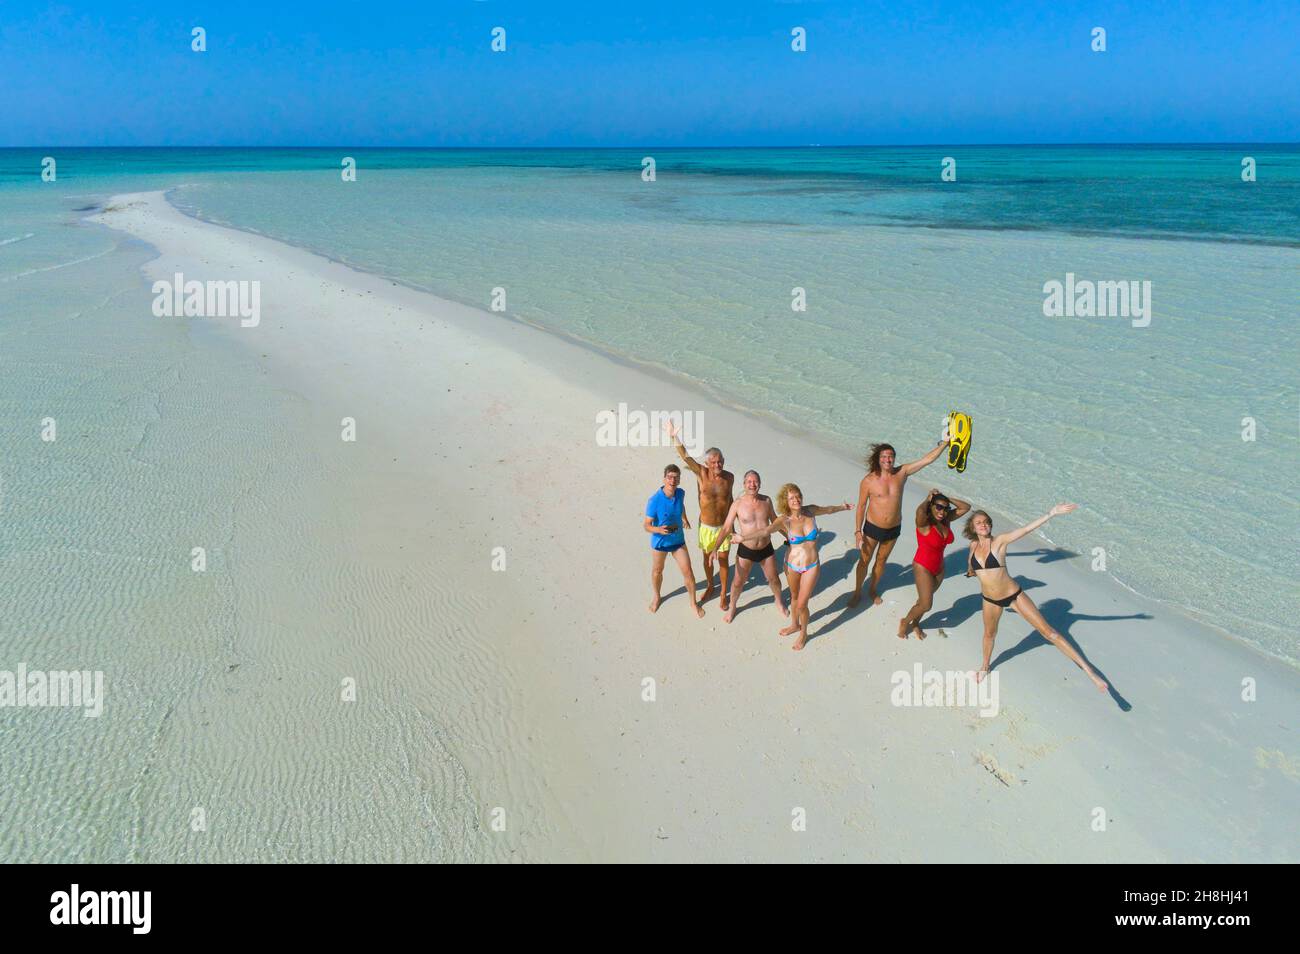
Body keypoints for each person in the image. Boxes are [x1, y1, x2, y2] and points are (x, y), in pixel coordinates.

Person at [964, 505, 1108, 692]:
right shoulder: (973, 546)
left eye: (986, 522)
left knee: (1049, 633)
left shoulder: (1000, 541)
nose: (983, 525)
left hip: (1013, 596)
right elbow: (971, 566)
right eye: (979, 523)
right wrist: (971, 572)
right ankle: (984, 667)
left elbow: (1025, 529)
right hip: (990, 600)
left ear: (990, 526)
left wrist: (1051, 513)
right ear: (973, 528)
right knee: (989, 635)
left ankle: (1091, 673)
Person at [733, 484, 851, 651]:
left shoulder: (810, 511)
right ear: (785, 502)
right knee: (794, 597)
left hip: (811, 565)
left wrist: (842, 507)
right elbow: (765, 531)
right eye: (791, 498)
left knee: (802, 604)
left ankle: (803, 633)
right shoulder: (783, 520)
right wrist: (742, 537)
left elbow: (828, 510)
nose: (796, 500)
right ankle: (795, 624)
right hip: (791, 566)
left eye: (798, 496)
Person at [849, 432, 949, 608]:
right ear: (878, 459)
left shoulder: (902, 473)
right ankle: (857, 592)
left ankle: (872, 589)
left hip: (893, 529)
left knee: (881, 561)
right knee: (864, 561)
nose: (888, 459)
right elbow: (861, 506)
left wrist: (945, 443)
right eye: (884, 456)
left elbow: (926, 460)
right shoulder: (869, 481)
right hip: (872, 528)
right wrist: (858, 531)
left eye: (891, 456)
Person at [664, 421, 734, 608]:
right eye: (713, 462)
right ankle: (711, 585)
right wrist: (674, 436)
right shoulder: (701, 473)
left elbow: (731, 501)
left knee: (723, 560)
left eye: (720, 461)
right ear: (707, 463)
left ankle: (722, 593)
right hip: (706, 527)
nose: (717, 464)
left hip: (724, 526)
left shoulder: (730, 477)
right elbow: (686, 457)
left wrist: (733, 525)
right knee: (707, 559)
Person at [707, 470, 789, 623]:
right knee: (738, 582)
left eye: (755, 481)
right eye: (749, 481)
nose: (753, 484)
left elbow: (776, 523)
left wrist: (791, 539)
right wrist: (715, 549)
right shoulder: (737, 504)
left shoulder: (767, 501)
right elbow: (726, 528)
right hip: (746, 550)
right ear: (744, 484)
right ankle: (732, 607)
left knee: (774, 579)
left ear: (760, 483)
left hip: (766, 548)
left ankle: (778, 601)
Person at [898, 489, 970, 640]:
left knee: (923, 600)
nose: (942, 511)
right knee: (926, 604)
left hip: (939, 568)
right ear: (931, 506)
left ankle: (916, 622)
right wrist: (928, 499)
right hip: (922, 566)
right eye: (938, 507)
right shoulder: (924, 523)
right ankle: (905, 622)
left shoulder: (946, 520)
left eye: (945, 508)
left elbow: (966, 507)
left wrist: (945, 499)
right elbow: (919, 511)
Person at [643, 464, 704, 618]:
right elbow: (646, 525)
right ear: (664, 478)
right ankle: (657, 596)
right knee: (657, 571)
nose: (673, 480)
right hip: (660, 543)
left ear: (679, 480)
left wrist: (684, 518)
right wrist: (658, 530)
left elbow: (681, 505)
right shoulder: (654, 500)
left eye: (676, 477)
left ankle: (693, 603)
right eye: (670, 477)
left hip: (678, 541)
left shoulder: (680, 493)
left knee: (688, 573)